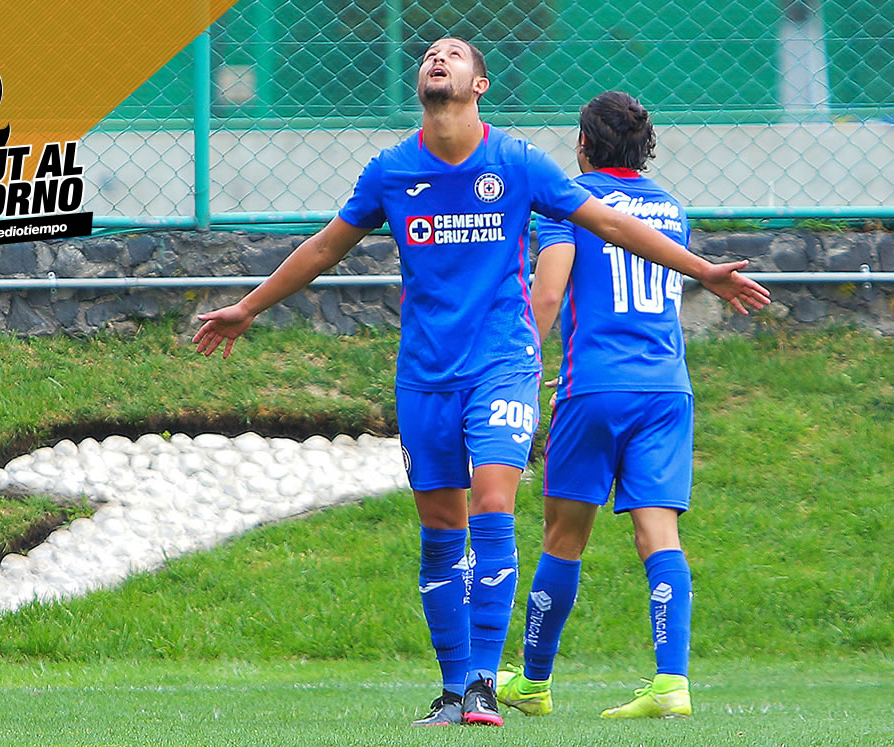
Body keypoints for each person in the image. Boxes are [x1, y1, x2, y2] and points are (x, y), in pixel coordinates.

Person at [192, 41, 768, 727]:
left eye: (454, 54)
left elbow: (611, 221)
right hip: (425, 374)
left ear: (480, 83)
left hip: (503, 363)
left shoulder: (518, 163)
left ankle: (486, 687)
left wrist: (702, 271)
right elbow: (323, 246)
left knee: (493, 501)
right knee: (440, 527)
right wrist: (248, 306)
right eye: (430, 54)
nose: (438, 58)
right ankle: (453, 687)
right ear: (422, 82)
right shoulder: (390, 170)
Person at [496, 91, 721, 719]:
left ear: (583, 143)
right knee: (660, 533)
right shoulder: (671, 210)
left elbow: (548, 292)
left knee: (563, 536)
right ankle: (671, 683)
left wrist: (521, 364)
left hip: (594, 385)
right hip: (666, 388)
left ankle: (534, 683)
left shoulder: (570, 200)